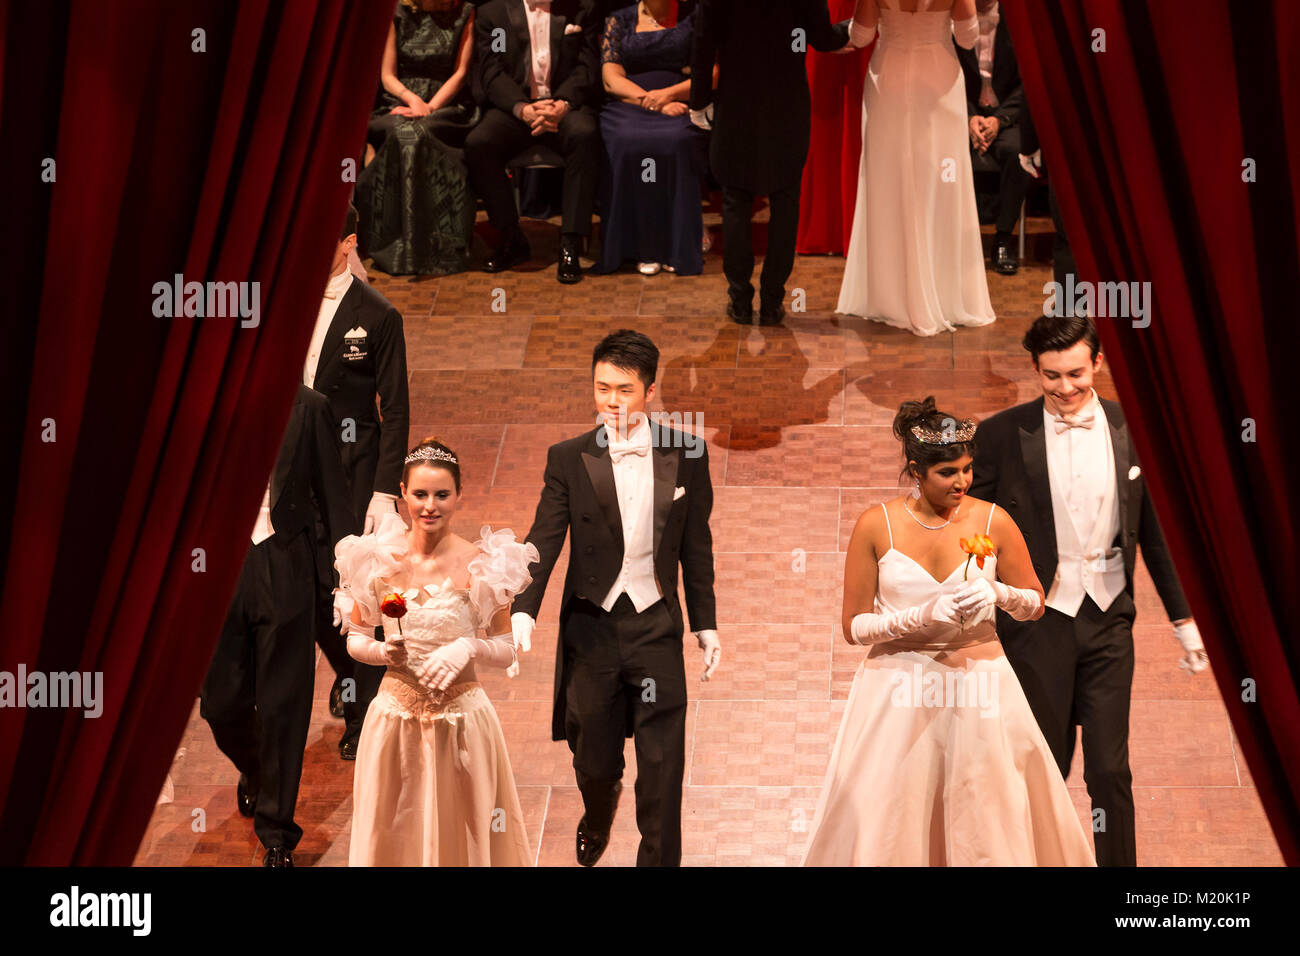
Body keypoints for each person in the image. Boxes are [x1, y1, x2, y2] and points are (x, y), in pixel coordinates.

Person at [802, 396, 1095, 865]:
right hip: (898, 687)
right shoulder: (876, 525)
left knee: (984, 809)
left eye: (967, 469)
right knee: (896, 813)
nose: (962, 482)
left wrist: (1000, 595)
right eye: (948, 473)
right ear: (916, 471)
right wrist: (918, 617)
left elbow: (1037, 604)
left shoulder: (993, 520)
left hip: (981, 679)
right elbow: (853, 627)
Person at [970, 314, 1208, 866]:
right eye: (1051, 376)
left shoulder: (1137, 428)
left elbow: (1155, 533)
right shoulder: (1004, 434)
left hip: (1108, 623)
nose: (1065, 388)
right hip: (1038, 623)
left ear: (1097, 363)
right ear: (1035, 370)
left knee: (1109, 770)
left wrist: (1184, 619)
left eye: (1076, 373)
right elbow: (973, 526)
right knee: (1044, 765)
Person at [510, 330, 720, 866]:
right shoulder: (568, 458)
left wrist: (706, 624)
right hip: (592, 629)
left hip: (655, 626)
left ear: (650, 390)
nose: (611, 401)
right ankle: (598, 810)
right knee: (595, 760)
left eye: (624, 390)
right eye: (602, 388)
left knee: (662, 768)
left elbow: (696, 545)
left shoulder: (688, 453)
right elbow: (544, 538)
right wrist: (522, 610)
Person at [335, 436, 539, 866]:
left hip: (462, 725)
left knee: (461, 840)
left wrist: (468, 646)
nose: (430, 506)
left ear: (459, 495)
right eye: (421, 494)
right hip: (394, 724)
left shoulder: (484, 564)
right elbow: (354, 636)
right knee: (394, 840)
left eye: (442, 495)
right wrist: (381, 652)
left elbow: (505, 651)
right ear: (403, 493)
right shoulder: (377, 559)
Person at [200, 385, 353, 867]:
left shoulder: (308, 408)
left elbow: (335, 499)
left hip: (285, 560)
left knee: (285, 703)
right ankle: (257, 770)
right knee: (220, 703)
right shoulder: (193, 402)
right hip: (216, 563)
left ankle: (278, 835)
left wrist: (344, 581)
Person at [305, 204, 411, 761]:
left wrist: (382, 492)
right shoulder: (283, 303)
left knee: (353, 594)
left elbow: (395, 410)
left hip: (352, 473)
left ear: (348, 243)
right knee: (311, 590)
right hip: (296, 471)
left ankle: (360, 707)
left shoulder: (377, 315)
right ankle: (350, 675)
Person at [835, 0, 996, 336]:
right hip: (938, 81)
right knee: (940, 183)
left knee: (888, 181)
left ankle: (889, 294)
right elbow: (968, 38)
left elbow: (861, 36)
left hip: (889, 79)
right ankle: (946, 293)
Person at [688, 0, 850, 325]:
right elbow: (821, 38)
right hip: (786, 102)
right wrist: (855, 28)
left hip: (736, 102)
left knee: (736, 199)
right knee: (785, 199)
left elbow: (703, 42)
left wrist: (699, 99)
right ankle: (773, 300)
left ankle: (740, 300)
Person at [465, 0, 603, 284]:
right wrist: (523, 109)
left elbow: (586, 67)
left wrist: (562, 104)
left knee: (585, 135)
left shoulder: (580, 9)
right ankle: (511, 238)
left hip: (564, 106)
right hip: (516, 109)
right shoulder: (495, 14)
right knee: (480, 143)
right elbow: (492, 73)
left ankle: (571, 242)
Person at [355, 0, 480, 276]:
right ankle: (393, 243)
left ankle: (438, 245)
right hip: (399, 100)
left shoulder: (465, 12)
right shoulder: (395, 11)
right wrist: (412, 99)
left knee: (421, 134)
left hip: (446, 104)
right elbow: (387, 76)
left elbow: (461, 73)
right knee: (403, 133)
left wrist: (431, 107)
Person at [596, 1, 709, 276]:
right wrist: (652, 102)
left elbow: (711, 73)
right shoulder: (618, 19)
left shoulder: (694, 16)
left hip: (679, 98)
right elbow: (611, 78)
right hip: (631, 101)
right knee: (627, 140)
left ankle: (677, 245)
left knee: (676, 140)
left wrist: (669, 95)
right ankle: (637, 246)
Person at [956, 0, 1029, 275]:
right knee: (939, 150)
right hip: (964, 113)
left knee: (1018, 152)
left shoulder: (1018, 21)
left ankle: (1002, 238)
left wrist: (1000, 120)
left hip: (1006, 115)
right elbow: (948, 73)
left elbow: (1028, 81)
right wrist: (968, 116)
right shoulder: (953, 15)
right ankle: (953, 240)